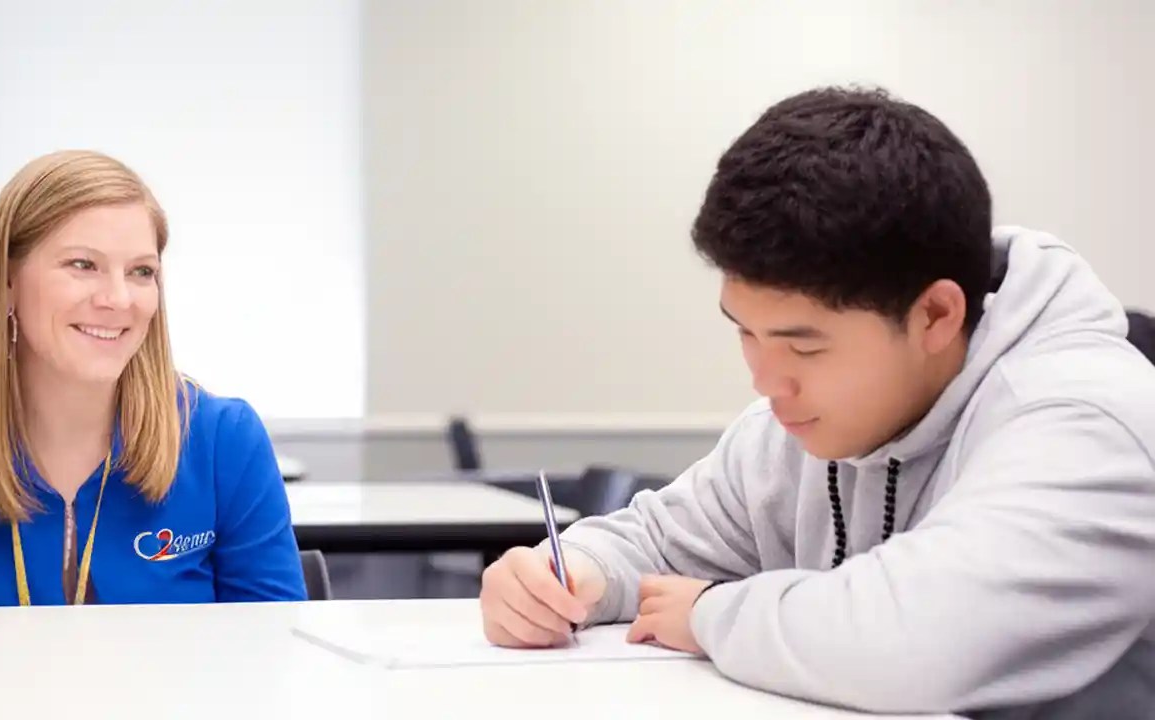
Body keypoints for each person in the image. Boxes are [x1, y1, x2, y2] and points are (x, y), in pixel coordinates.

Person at [479, 87, 1155, 718]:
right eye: (745, 331)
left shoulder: (1089, 419)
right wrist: (568, 575)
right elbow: (661, 541)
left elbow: (917, 640)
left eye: (804, 348)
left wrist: (711, 614)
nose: (768, 381)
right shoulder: (809, 422)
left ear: (936, 316)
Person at [0, 150, 307, 607]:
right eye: (83, 265)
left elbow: (272, 659)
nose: (119, 298)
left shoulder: (224, 445)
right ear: (6, 281)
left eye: (141, 272)